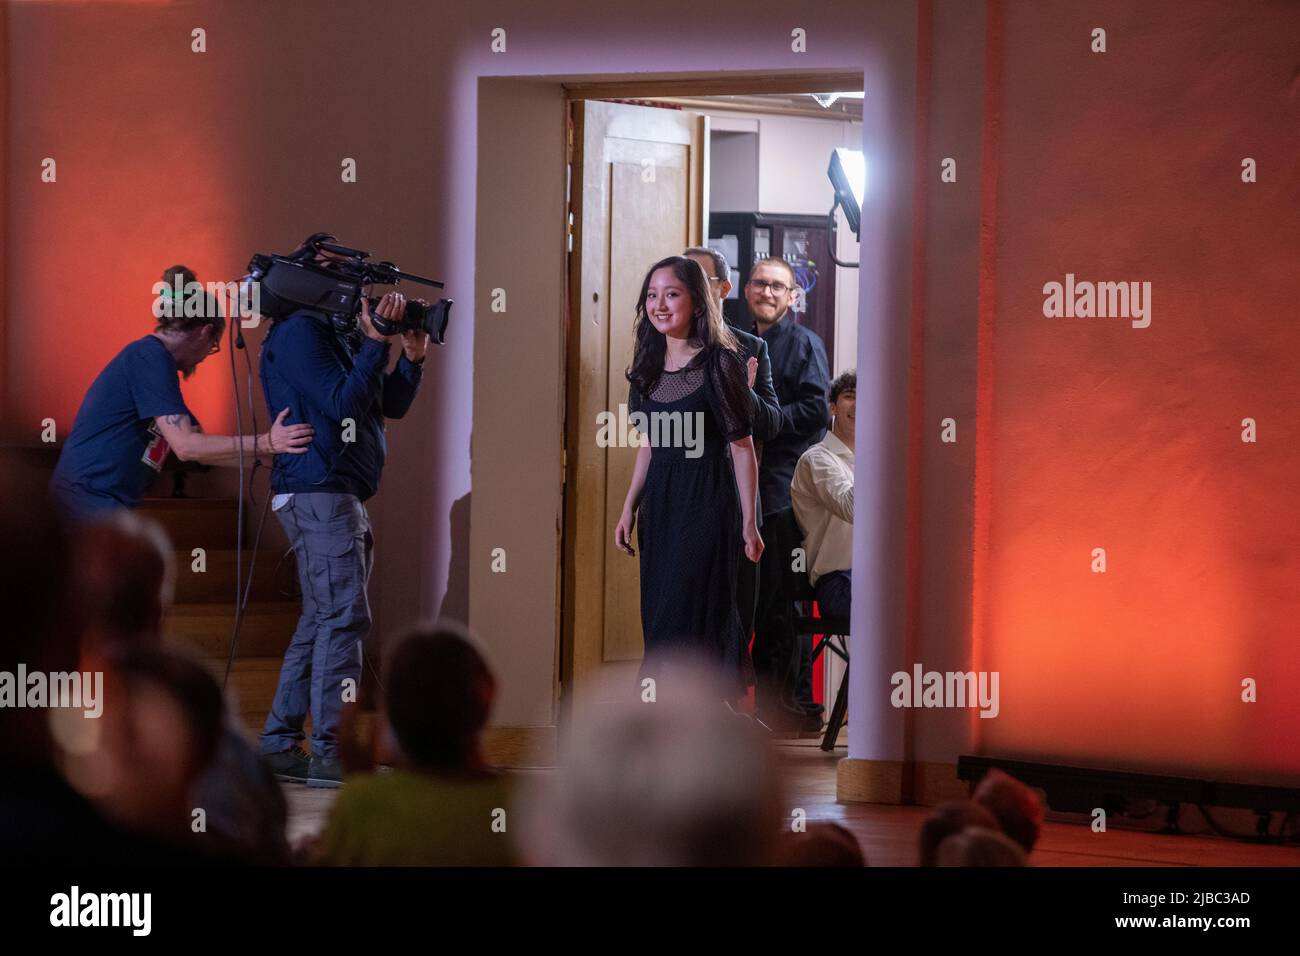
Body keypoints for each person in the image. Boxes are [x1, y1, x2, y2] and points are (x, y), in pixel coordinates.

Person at [257, 233, 430, 788]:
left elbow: (386, 405)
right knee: (342, 617)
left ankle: (280, 744)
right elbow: (341, 404)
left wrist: (410, 356)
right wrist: (374, 341)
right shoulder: (300, 332)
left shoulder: (329, 332)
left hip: (334, 491)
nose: (354, 289)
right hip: (319, 491)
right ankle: (331, 753)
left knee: (322, 618)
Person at [49, 265, 314, 521]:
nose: (203, 359)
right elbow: (186, 446)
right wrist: (267, 442)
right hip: (84, 505)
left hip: (103, 506)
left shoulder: (157, 373)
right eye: (212, 348)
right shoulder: (149, 357)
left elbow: (202, 448)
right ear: (205, 332)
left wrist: (275, 459)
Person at [614, 255, 762, 701]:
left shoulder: (720, 362)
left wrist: (749, 522)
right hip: (661, 501)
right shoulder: (647, 365)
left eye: (672, 294)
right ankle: (664, 718)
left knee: (691, 610)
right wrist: (628, 507)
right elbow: (649, 445)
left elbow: (742, 446)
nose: (659, 304)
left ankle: (701, 714)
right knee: (659, 614)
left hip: (707, 499)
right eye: (652, 295)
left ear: (697, 302)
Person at [313, 622, 513, 866]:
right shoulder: (519, 806)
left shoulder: (361, 804)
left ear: (387, 710)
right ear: (490, 692)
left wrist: (359, 789)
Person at [743, 256, 831, 731]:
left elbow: (818, 410)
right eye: (760, 284)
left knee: (780, 605)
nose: (768, 292)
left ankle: (782, 711)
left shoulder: (803, 343)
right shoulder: (739, 340)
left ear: (793, 296)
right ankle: (781, 709)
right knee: (755, 605)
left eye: (778, 286)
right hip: (746, 488)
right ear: (747, 289)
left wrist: (763, 420)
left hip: (783, 491)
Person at [683, 246, 781, 652]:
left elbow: (773, 424)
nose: (682, 291)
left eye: (695, 281)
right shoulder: (662, 346)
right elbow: (649, 431)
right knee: (679, 617)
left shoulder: (749, 348)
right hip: (681, 496)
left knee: (733, 617)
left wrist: (744, 394)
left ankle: (723, 711)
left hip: (733, 497)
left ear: (722, 289)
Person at [791, 369, 855, 620]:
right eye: (850, 396)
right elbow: (853, 509)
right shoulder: (817, 459)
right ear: (833, 408)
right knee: (895, 614)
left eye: (866, 397)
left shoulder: (870, 461)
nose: (859, 404)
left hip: (877, 580)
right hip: (837, 583)